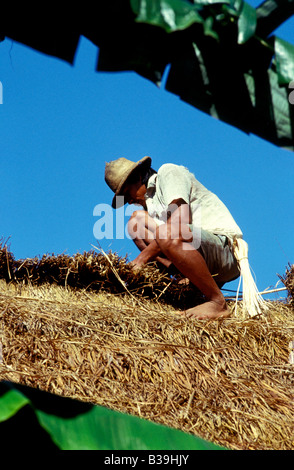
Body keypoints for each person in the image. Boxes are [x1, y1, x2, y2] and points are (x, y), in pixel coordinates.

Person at [105, 156, 243, 320]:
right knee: (135, 223)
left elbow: (181, 220)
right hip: (193, 247)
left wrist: (141, 260)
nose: (128, 201)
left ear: (138, 177)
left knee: (167, 232)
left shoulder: (168, 172)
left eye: (127, 193)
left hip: (224, 249)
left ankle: (217, 302)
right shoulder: (150, 205)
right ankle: (184, 279)